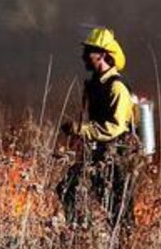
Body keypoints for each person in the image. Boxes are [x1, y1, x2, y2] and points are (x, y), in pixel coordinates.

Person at [56, 27, 140, 231]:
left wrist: (80, 129)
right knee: (67, 189)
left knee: (119, 212)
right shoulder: (96, 84)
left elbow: (115, 127)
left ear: (102, 54)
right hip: (98, 153)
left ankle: (122, 244)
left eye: (89, 51)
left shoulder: (116, 87)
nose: (84, 56)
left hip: (117, 156)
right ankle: (79, 234)